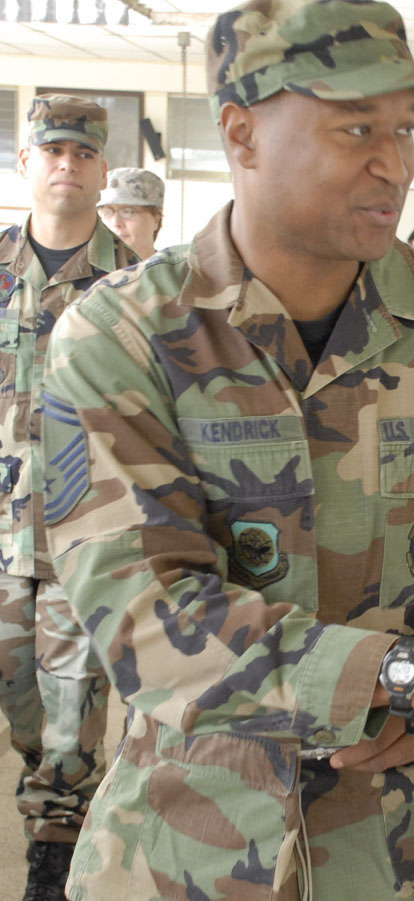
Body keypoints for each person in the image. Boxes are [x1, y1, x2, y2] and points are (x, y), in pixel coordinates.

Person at [39, 1, 414, 897]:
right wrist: (402, 675)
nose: (394, 162)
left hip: (410, 846)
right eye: (356, 127)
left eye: (405, 127)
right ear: (242, 132)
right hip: (192, 850)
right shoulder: (127, 334)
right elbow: (143, 609)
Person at [0, 93, 132, 901]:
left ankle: (54, 861)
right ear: (25, 163)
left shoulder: (136, 287)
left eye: (83, 154)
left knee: (68, 724)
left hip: (85, 542)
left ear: (102, 171)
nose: (67, 165)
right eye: (52, 150)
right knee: (20, 703)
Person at [97, 166, 165, 260]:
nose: (115, 223)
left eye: (128, 212)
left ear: (156, 219)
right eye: (107, 213)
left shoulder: (173, 273)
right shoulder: (88, 271)